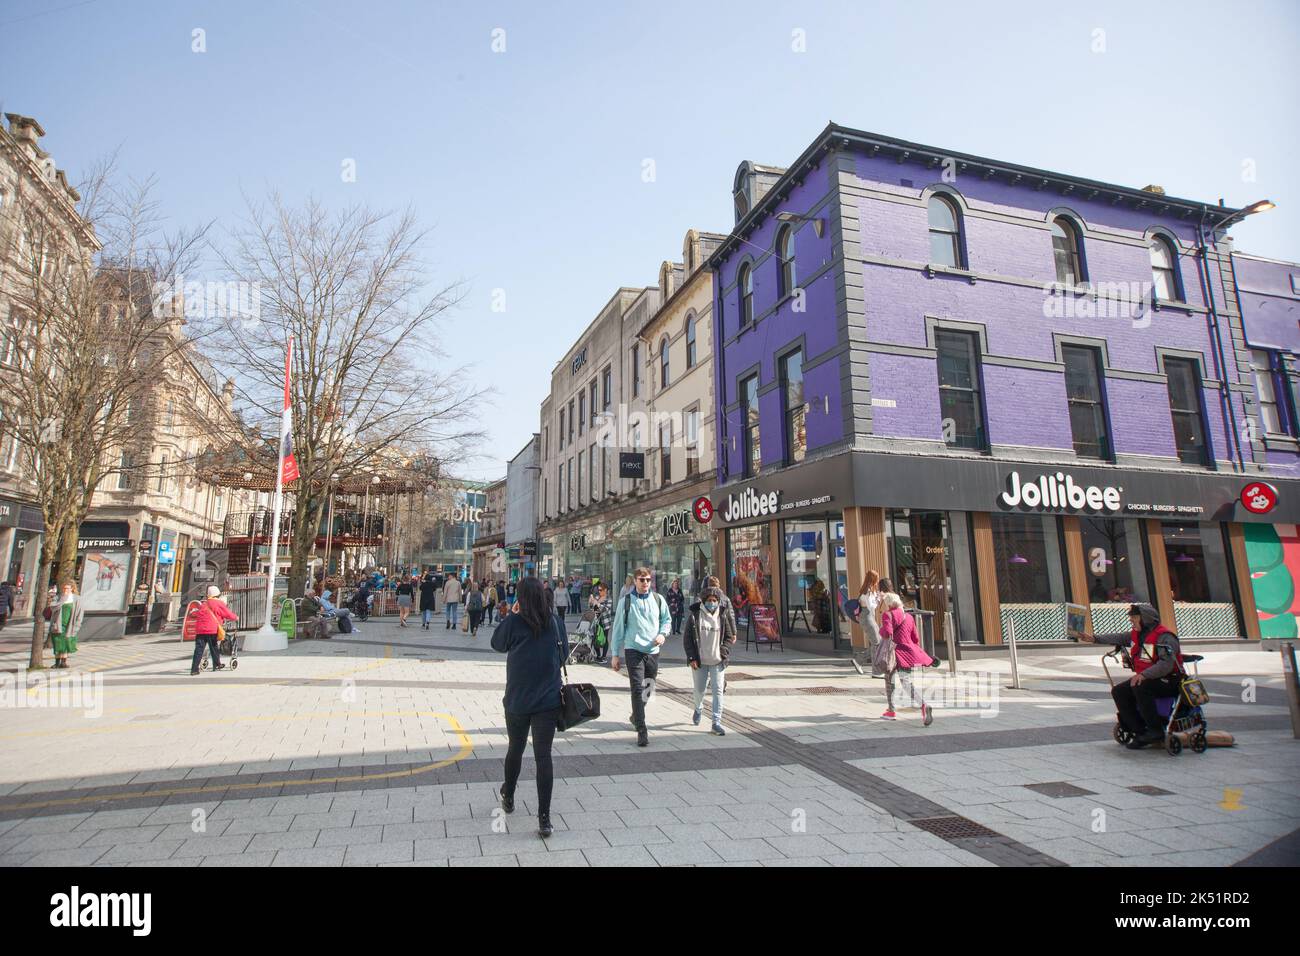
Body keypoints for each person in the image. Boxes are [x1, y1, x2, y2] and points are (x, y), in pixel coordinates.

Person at [491, 577, 568, 839]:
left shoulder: (514, 622)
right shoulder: (555, 623)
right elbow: (564, 655)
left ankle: (509, 795)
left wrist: (511, 615)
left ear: (521, 598)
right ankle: (544, 818)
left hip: (518, 699)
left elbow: (497, 644)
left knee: (516, 748)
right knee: (543, 757)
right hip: (548, 700)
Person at [1076, 602, 1185, 750]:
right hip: (1149, 678)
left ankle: (1156, 730)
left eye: (1134, 617)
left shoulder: (1165, 637)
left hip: (1170, 680)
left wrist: (1144, 675)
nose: (1131, 620)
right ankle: (1139, 730)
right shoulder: (1137, 634)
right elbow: (1119, 637)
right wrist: (1094, 638)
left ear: (1145, 618)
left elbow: (1166, 665)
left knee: (1140, 687)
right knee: (1118, 691)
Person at [610, 566, 671, 748]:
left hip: (652, 651)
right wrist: (615, 654)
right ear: (635, 581)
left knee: (649, 688)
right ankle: (642, 730)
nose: (645, 583)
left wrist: (663, 634)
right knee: (637, 688)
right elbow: (618, 629)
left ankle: (636, 715)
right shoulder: (626, 601)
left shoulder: (658, 599)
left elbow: (666, 620)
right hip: (633, 650)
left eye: (648, 580)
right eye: (642, 580)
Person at [682, 586, 736, 735]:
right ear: (703, 601)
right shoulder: (695, 615)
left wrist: (723, 652)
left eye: (714, 600)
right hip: (700, 661)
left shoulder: (722, 615)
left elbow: (728, 638)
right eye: (709, 600)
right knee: (699, 690)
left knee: (718, 691)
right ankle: (698, 708)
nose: (712, 603)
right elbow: (687, 639)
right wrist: (691, 657)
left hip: (717, 661)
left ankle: (716, 722)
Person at [877, 592, 936, 720]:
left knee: (889, 681)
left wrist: (880, 629)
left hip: (892, 655)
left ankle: (891, 711)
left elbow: (887, 633)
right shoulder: (909, 617)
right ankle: (923, 704)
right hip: (907, 655)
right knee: (906, 682)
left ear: (888, 604)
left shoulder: (887, 615)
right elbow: (915, 637)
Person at [191, 584, 237, 675]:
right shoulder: (219, 603)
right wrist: (236, 617)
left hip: (200, 630)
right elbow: (227, 614)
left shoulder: (204, 604)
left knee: (199, 649)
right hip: (212, 630)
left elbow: (196, 614)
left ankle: (194, 669)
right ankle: (216, 664)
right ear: (218, 594)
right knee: (214, 647)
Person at [855, 570, 884, 678]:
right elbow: (870, 606)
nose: (877, 581)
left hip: (868, 617)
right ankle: (876, 672)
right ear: (873, 579)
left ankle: (858, 660)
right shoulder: (867, 591)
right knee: (877, 643)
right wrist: (877, 599)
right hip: (867, 617)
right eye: (876, 578)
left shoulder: (867, 590)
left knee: (877, 643)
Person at [48, 580, 84, 669]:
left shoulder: (77, 599)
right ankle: (57, 662)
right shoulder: (58, 597)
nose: (65, 590)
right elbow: (52, 607)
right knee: (58, 643)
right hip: (58, 625)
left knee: (66, 643)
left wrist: (77, 625)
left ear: (72, 588)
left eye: (67, 588)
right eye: (64, 588)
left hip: (70, 625)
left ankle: (63, 662)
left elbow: (80, 613)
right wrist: (62, 600)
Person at [589, 583, 613, 663]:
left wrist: (597, 603)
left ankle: (604, 656)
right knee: (596, 638)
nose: (599, 591)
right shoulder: (597, 597)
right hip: (597, 621)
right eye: (598, 590)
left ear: (605, 590)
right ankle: (598, 655)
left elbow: (605, 609)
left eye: (600, 590)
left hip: (605, 622)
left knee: (604, 639)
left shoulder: (609, 599)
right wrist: (591, 602)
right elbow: (594, 609)